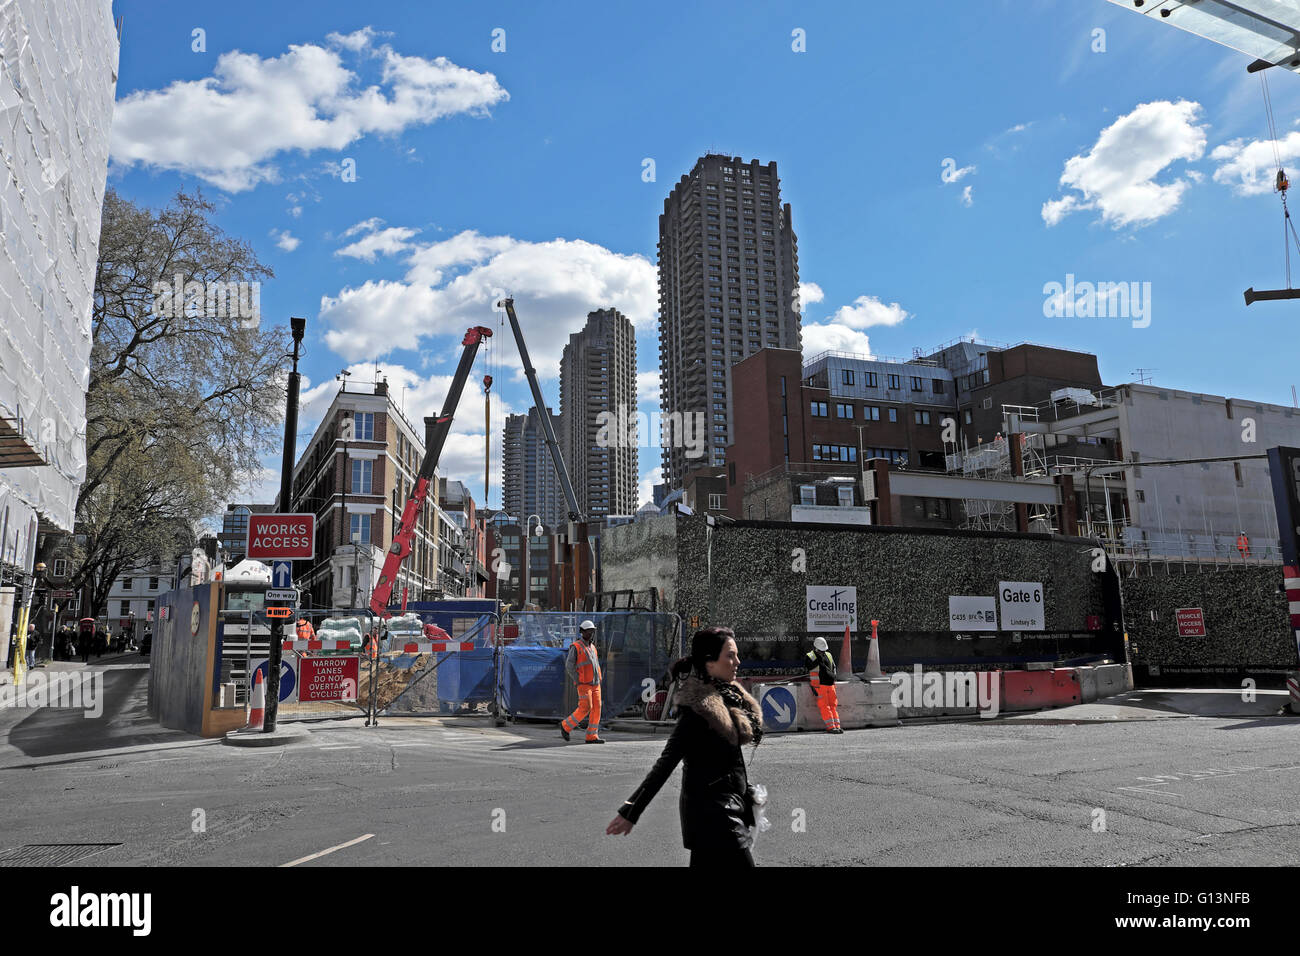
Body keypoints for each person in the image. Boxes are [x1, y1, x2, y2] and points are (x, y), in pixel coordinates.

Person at [606, 626, 763, 867]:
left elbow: (730, 762)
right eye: (730, 655)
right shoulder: (699, 710)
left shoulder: (729, 699)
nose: (737, 661)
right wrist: (631, 810)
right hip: (714, 814)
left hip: (726, 809)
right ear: (709, 662)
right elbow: (665, 763)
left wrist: (746, 794)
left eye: (737, 655)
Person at [560, 620, 605, 744]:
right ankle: (565, 726)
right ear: (583, 632)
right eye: (589, 631)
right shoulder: (576, 646)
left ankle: (592, 736)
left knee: (597, 708)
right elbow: (569, 666)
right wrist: (578, 679)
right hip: (584, 684)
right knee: (586, 707)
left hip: (595, 684)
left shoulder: (593, 647)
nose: (591, 633)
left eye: (592, 631)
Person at [805, 636, 842, 733]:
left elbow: (833, 667)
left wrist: (834, 677)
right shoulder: (810, 655)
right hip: (820, 685)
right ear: (816, 648)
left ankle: (837, 726)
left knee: (833, 705)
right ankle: (831, 727)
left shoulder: (828, 654)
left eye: (824, 650)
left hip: (830, 684)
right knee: (824, 706)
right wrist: (818, 658)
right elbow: (809, 666)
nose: (823, 652)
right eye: (821, 651)